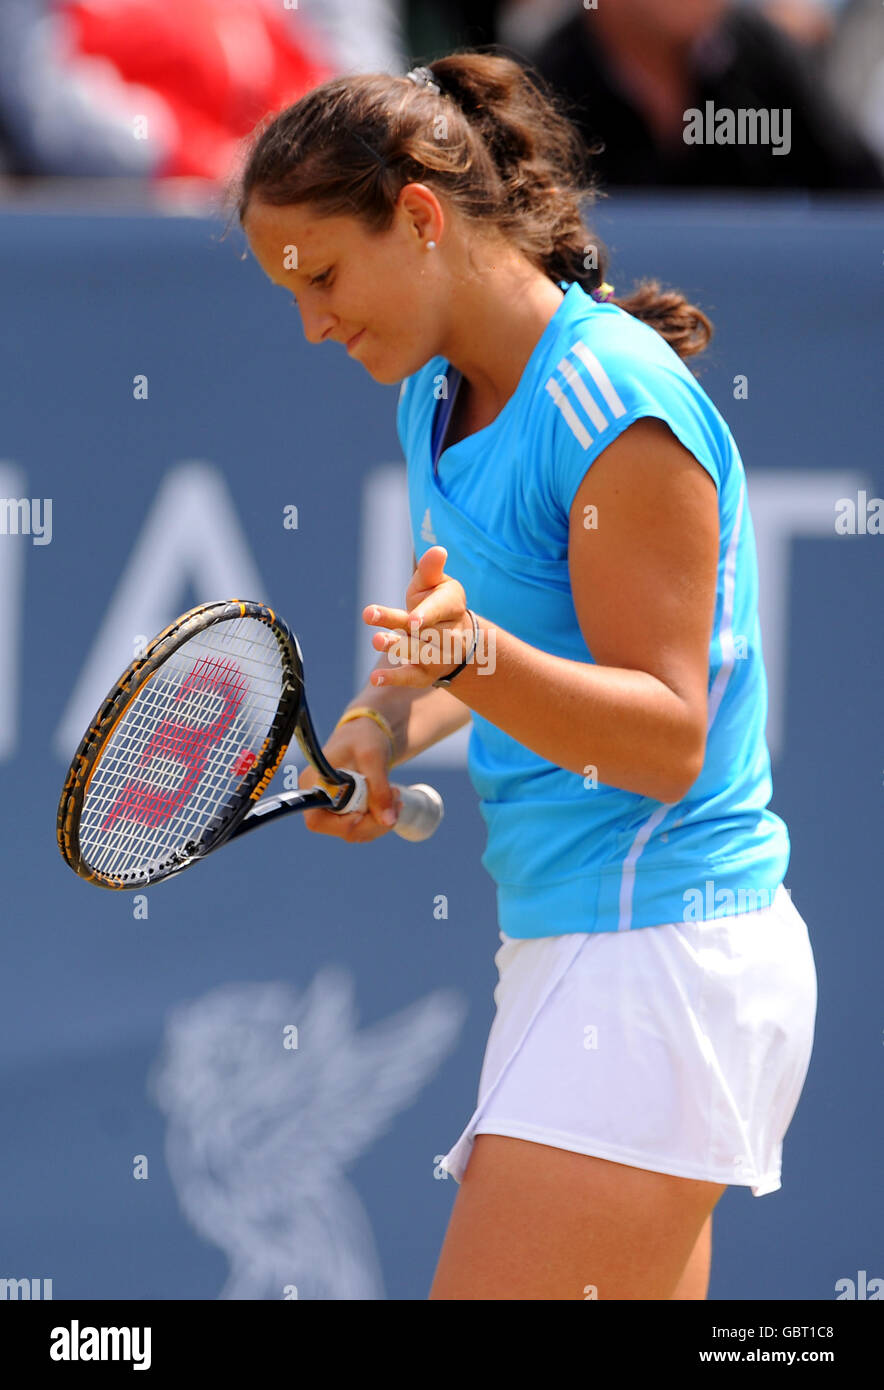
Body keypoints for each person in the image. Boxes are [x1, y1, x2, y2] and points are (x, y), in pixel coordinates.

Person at [235, 50, 818, 1300]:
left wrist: (469, 658)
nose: (312, 324)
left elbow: (665, 736)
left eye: (323, 276)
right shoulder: (434, 396)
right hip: (581, 951)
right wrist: (377, 723)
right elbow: (464, 645)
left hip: (658, 955)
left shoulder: (614, 401)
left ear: (422, 217)